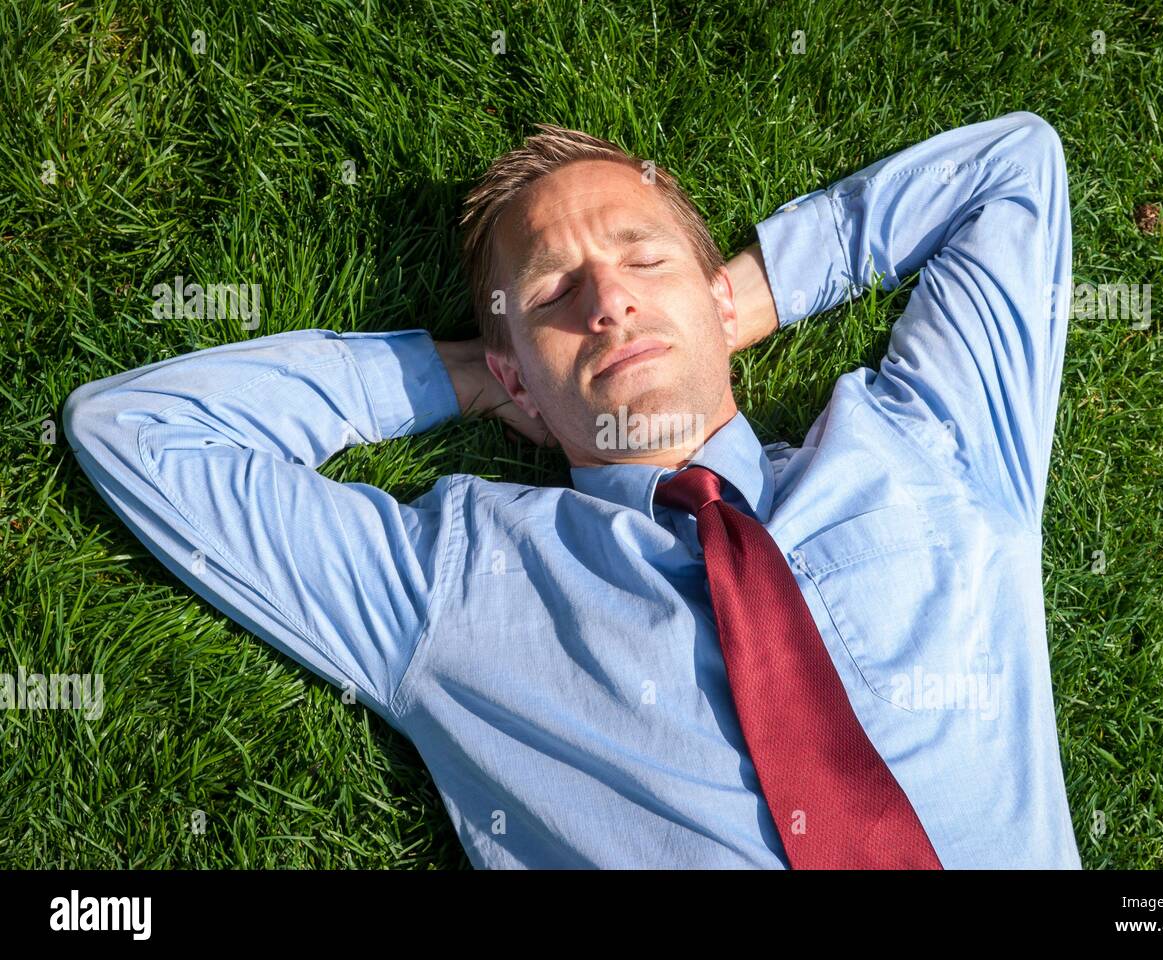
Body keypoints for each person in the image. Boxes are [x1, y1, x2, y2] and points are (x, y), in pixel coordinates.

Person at [63, 110, 1080, 869]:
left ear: (717, 296)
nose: (610, 300)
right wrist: (467, 376)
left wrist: (745, 297)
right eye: (553, 294)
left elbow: (1011, 170)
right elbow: (139, 433)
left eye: (643, 258)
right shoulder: (455, 587)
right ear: (515, 380)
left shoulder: (930, 447)